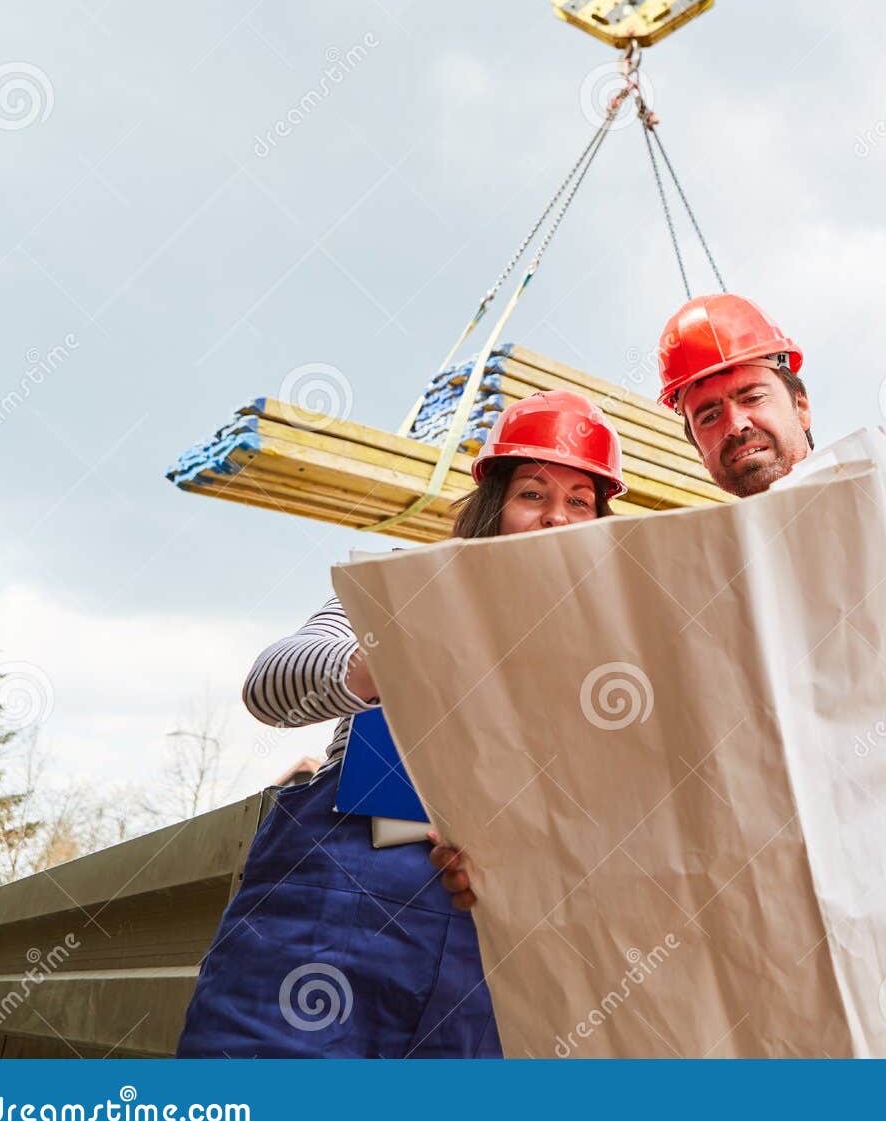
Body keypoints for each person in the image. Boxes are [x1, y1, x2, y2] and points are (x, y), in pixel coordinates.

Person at [432, 294, 886, 907]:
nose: (736, 423)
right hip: (783, 898)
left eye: (752, 396)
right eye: (708, 414)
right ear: (696, 445)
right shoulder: (700, 573)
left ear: (802, 406)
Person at [177, 390, 626, 1058]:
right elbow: (269, 685)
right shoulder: (399, 585)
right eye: (534, 492)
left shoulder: (612, 658)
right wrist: (387, 656)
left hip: (490, 947)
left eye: (579, 502)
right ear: (495, 504)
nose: (556, 517)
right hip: (329, 909)